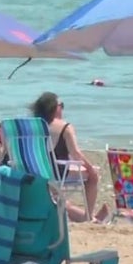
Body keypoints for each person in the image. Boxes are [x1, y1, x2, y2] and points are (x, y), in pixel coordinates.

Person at [30, 92, 107, 223]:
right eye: (62, 105)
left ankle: (90, 218)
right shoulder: (64, 127)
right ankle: (89, 217)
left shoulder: (31, 125)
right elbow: (76, 154)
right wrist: (90, 168)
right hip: (55, 172)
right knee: (93, 177)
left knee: (60, 200)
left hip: (34, 171)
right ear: (55, 108)